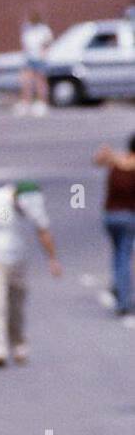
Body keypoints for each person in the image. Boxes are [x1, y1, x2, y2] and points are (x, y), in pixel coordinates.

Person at [0, 180, 62, 366]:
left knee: (16, 306)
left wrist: (53, 259)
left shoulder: (34, 204)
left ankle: (18, 346)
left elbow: (43, 231)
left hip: (18, 260)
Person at [93, 136, 135, 318]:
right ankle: (123, 300)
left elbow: (97, 161)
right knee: (124, 255)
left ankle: (118, 288)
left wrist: (108, 153)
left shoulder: (118, 160)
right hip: (129, 216)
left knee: (118, 254)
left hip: (110, 216)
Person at [18, 13, 53, 115]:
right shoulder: (27, 29)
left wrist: (44, 53)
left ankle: (41, 103)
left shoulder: (43, 29)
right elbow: (25, 43)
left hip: (39, 58)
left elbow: (48, 41)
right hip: (29, 57)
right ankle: (26, 103)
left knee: (40, 81)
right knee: (26, 81)